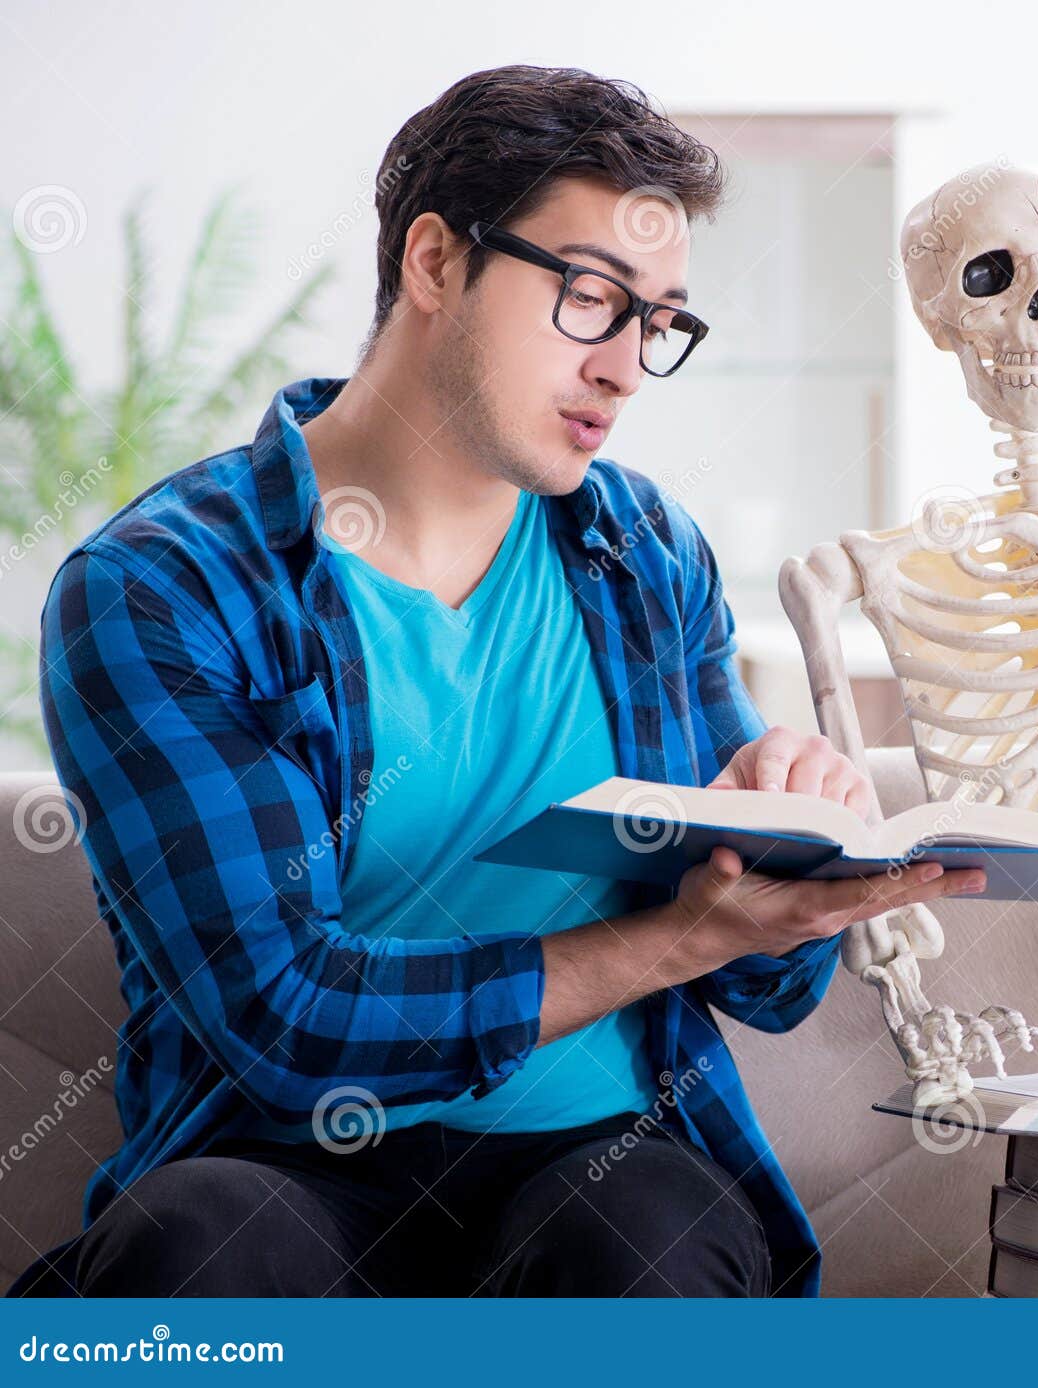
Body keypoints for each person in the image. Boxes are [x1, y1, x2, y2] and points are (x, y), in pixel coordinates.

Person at [10, 65, 982, 1299]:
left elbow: (767, 984)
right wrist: (668, 938)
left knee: (651, 1239)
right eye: (591, 298)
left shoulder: (642, 554)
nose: (625, 367)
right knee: (205, 1242)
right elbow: (285, 1018)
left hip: (597, 1160)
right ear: (434, 262)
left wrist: (794, 832)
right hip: (278, 1161)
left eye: (658, 322)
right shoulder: (165, 586)